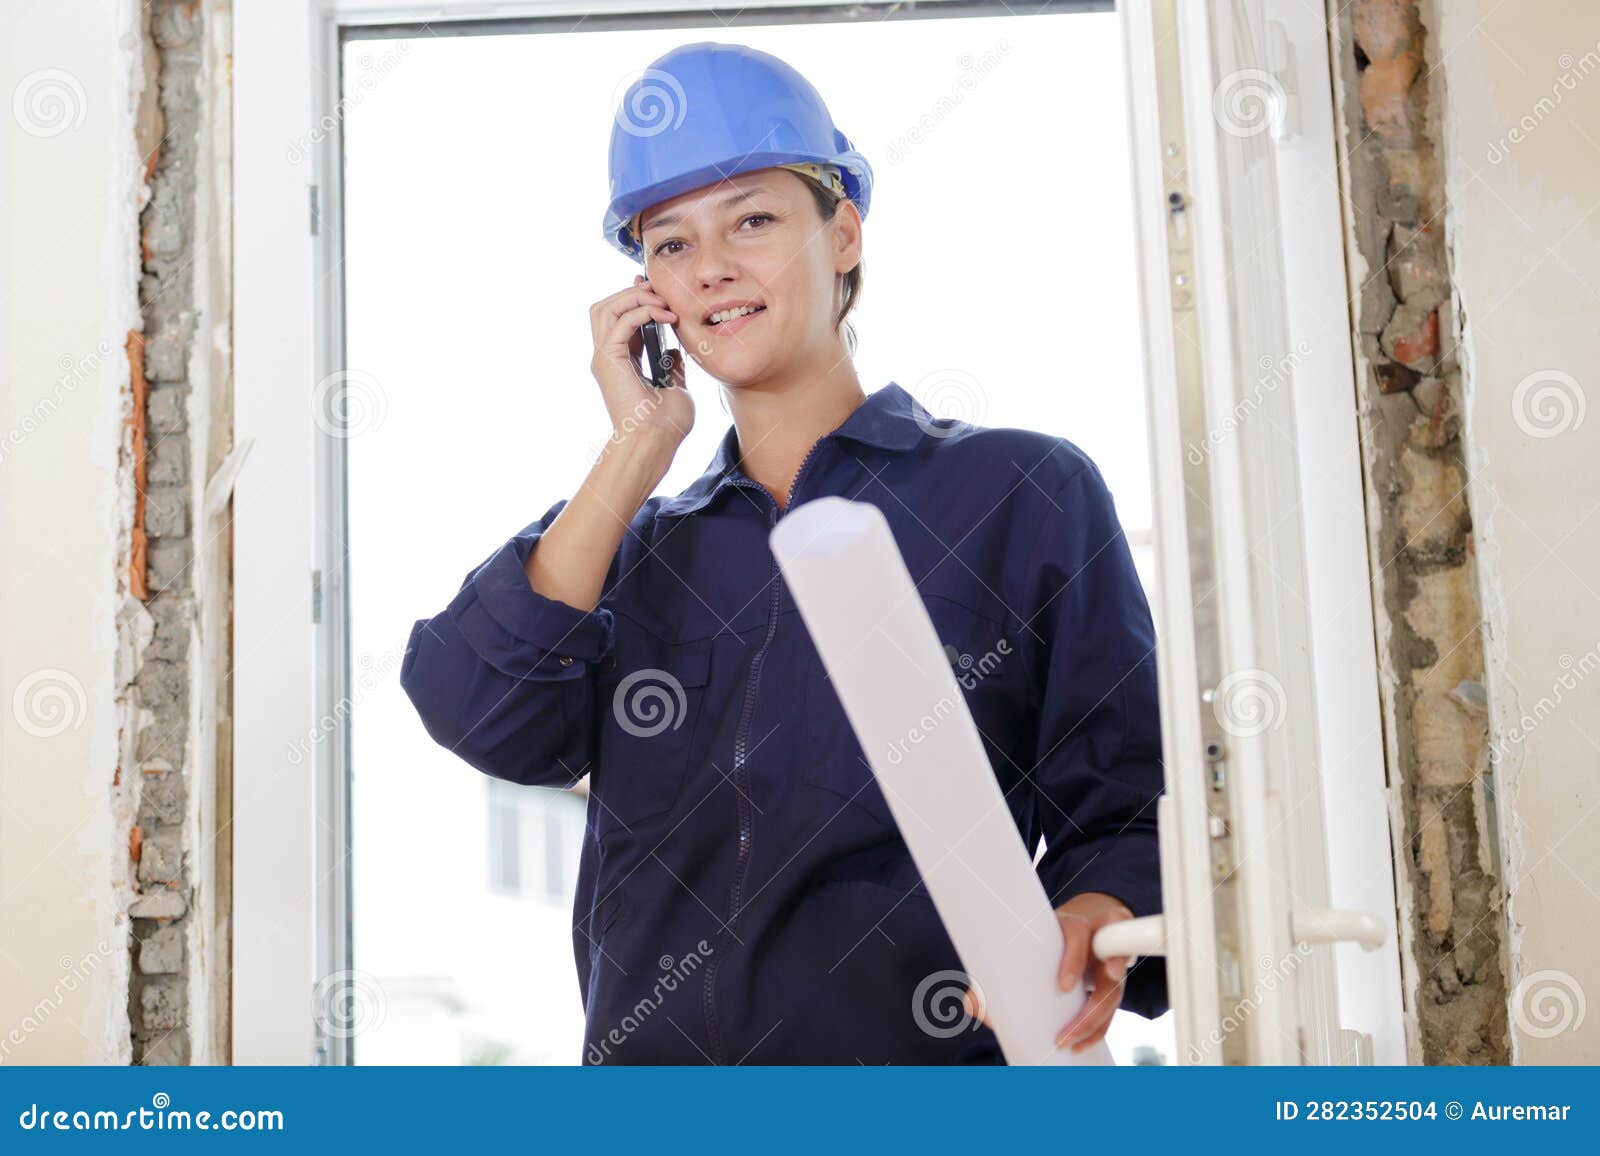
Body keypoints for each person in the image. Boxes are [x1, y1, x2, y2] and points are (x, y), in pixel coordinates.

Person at [400, 41, 1166, 1065]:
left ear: (842, 233)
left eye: (752, 220)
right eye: (669, 244)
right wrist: (636, 451)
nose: (710, 266)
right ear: (646, 296)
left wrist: (1096, 904)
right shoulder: (635, 554)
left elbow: (1123, 794)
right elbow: (477, 710)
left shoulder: (1019, 493)